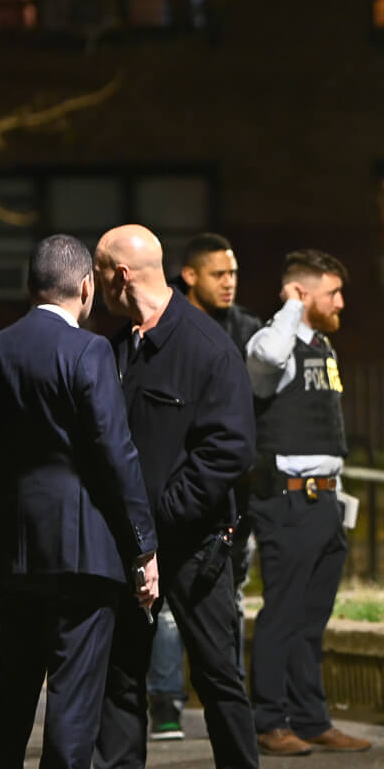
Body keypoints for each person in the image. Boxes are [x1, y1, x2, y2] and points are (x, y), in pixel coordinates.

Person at [0, 234, 158, 769]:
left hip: (13, 547)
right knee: (74, 694)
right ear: (85, 288)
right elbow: (114, 451)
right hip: (83, 545)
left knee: (12, 688)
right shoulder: (88, 349)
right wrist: (143, 547)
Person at [90, 225, 270, 769]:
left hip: (195, 548)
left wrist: (160, 525)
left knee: (218, 676)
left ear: (120, 276)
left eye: (98, 271)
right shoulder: (117, 343)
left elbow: (229, 451)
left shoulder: (205, 348)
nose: (91, 285)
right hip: (135, 546)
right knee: (122, 678)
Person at [244, 249, 372, 756]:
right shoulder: (268, 342)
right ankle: (270, 721)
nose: (341, 302)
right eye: (332, 292)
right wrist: (291, 307)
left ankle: (312, 717)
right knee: (282, 613)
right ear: (302, 293)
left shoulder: (323, 347)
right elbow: (271, 358)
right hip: (286, 502)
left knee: (312, 616)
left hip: (323, 502)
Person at [146, 232, 264, 741]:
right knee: (166, 613)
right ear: (189, 275)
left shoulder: (243, 330)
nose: (230, 283)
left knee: (226, 609)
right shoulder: (162, 329)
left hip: (228, 502)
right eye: (220, 274)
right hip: (177, 502)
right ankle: (167, 702)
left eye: (234, 273)